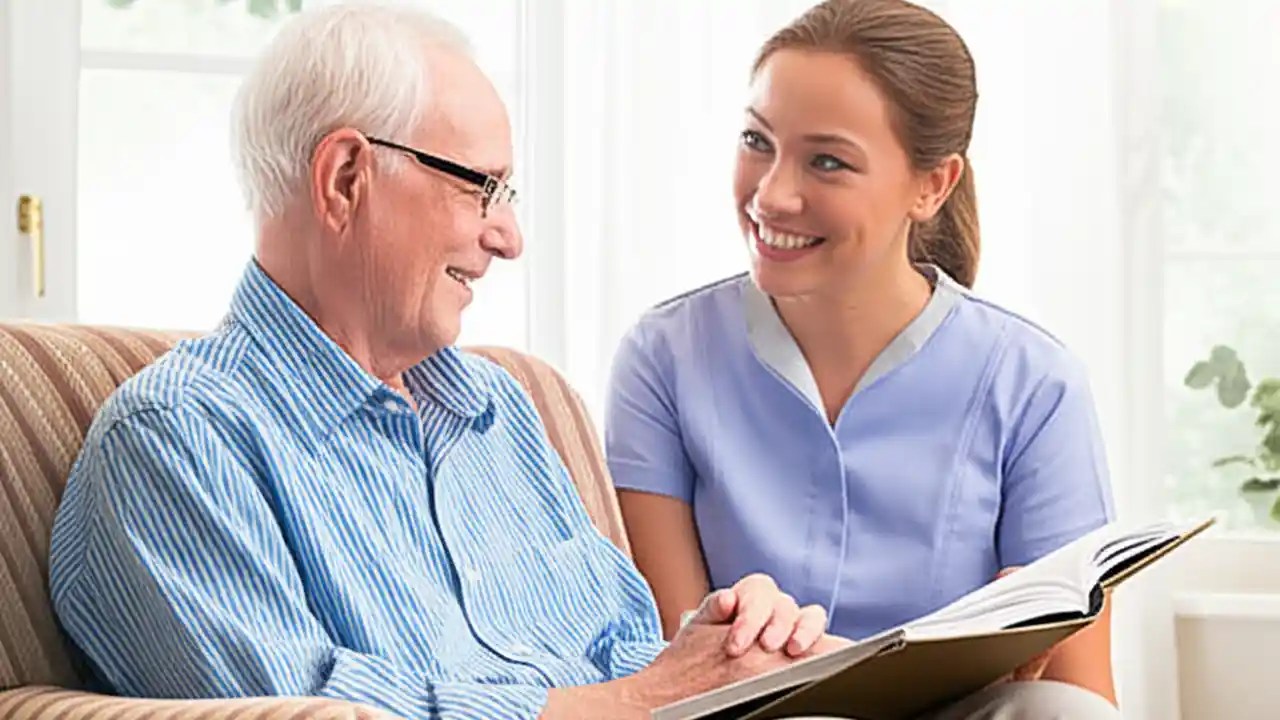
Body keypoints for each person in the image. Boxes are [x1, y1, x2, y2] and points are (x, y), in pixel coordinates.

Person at [46, 5, 840, 719]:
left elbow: (624, 654)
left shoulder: (497, 407)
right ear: (345, 179)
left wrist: (729, 652)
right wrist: (643, 699)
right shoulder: (179, 438)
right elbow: (300, 708)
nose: (509, 238)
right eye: (481, 188)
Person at [604, 0, 1122, 717]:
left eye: (827, 161)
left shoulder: (1033, 382)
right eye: (757, 141)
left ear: (932, 185)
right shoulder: (664, 357)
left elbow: (1080, 692)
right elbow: (675, 668)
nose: (771, 195)